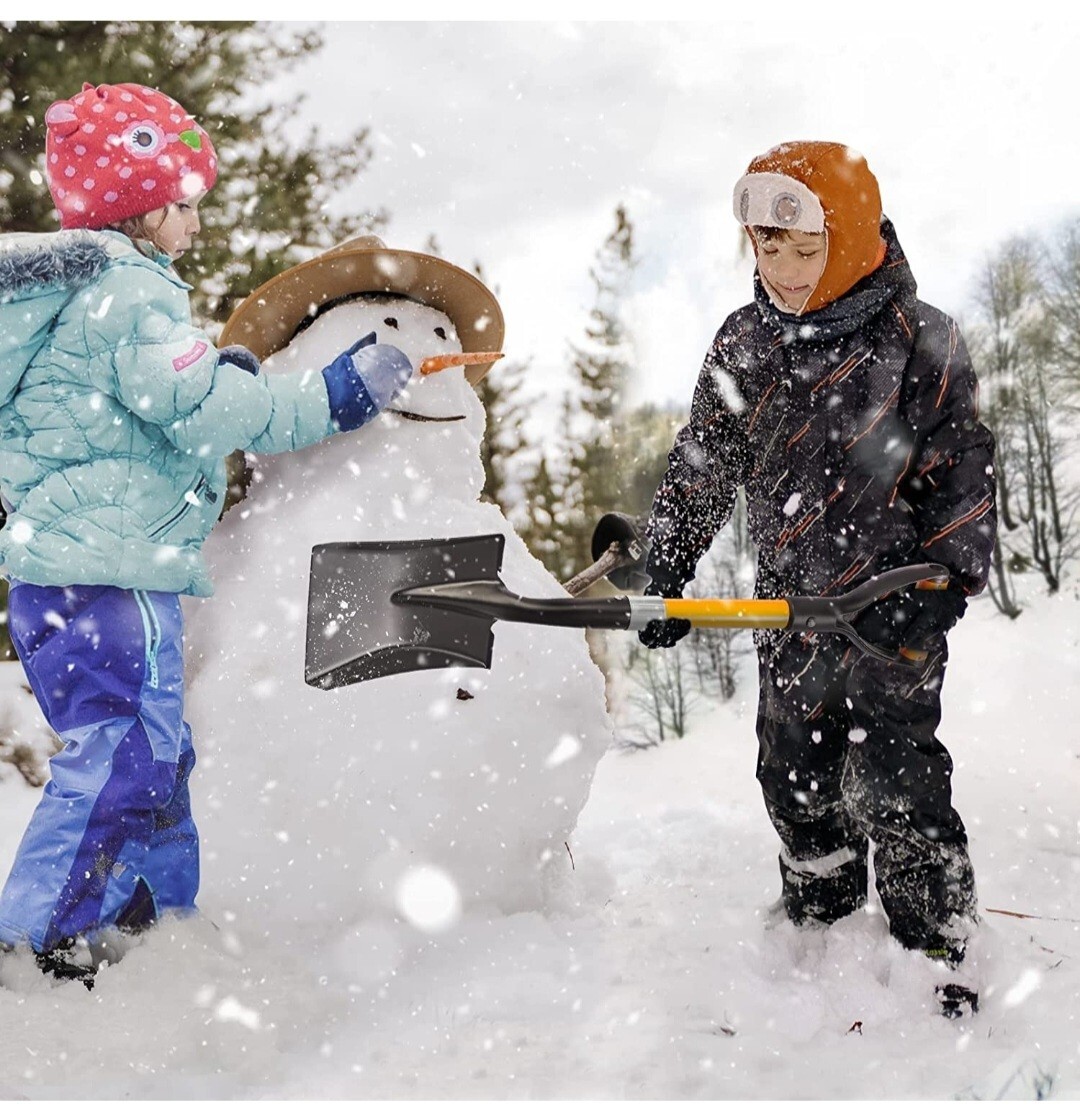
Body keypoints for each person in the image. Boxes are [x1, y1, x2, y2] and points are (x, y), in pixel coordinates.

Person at [0, 82, 419, 984]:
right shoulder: (124, 290)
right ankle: (38, 944)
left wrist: (204, 364)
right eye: (185, 203)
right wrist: (335, 395)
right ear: (143, 207)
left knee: (153, 752)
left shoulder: (85, 300)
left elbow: (143, 395)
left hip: (75, 573)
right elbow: (200, 405)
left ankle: (152, 924)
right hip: (109, 574)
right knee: (124, 755)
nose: (194, 222)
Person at [639, 141, 996, 1018]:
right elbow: (703, 465)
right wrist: (669, 561)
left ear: (852, 242)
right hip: (792, 608)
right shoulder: (745, 341)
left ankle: (936, 932)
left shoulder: (923, 339)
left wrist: (944, 579)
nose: (786, 271)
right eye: (768, 250)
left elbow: (963, 470)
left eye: (807, 251)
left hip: (893, 606)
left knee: (899, 777)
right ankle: (820, 913)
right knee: (792, 770)